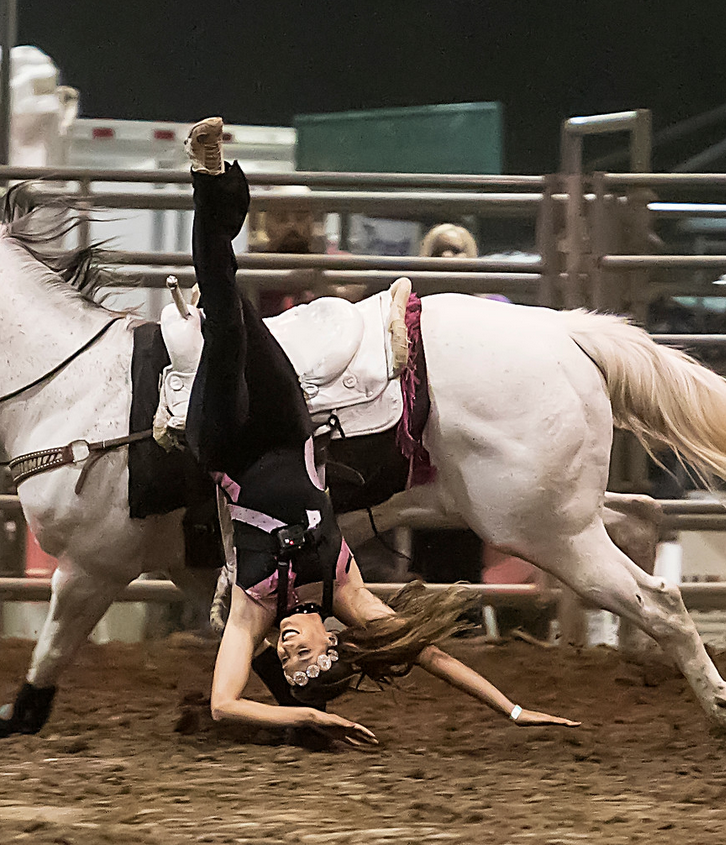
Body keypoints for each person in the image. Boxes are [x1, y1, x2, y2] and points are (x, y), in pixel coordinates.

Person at [183, 117, 578, 744]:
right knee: (229, 304)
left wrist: (310, 714)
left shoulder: (252, 609)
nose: (287, 653)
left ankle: (214, 190)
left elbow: (225, 705)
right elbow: (435, 658)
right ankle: (213, 182)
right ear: (331, 644)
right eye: (304, 657)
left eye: (286, 665)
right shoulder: (348, 592)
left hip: (225, 442)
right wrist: (512, 709)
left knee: (224, 319)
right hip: (288, 431)